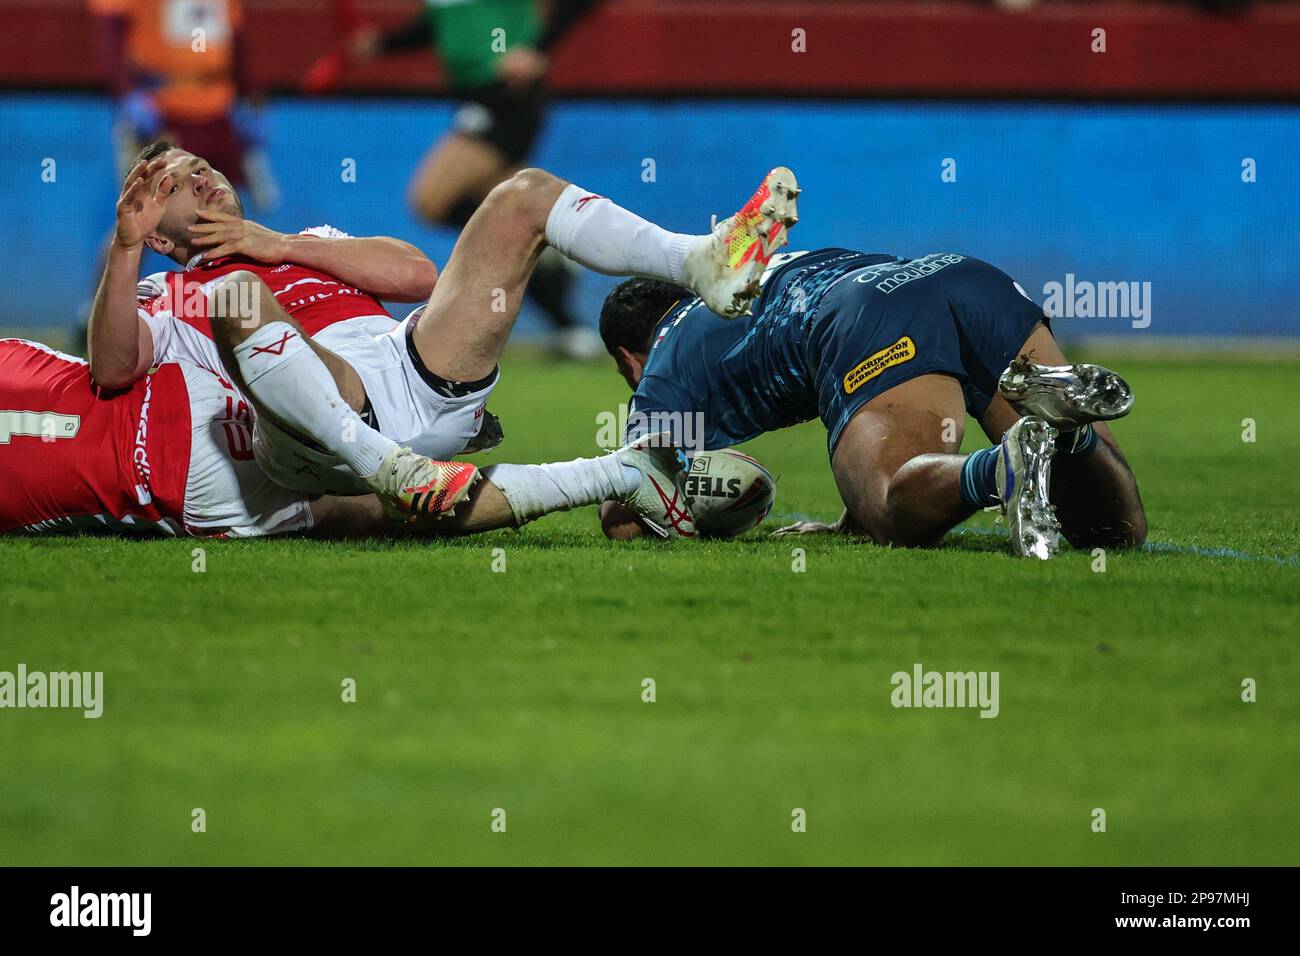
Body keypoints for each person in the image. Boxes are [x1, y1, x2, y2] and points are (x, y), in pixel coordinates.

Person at [89, 141, 800, 533]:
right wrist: (124, 254)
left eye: (203, 167)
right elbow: (114, 368)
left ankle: (698, 261)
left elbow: (417, 273)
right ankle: (385, 465)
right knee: (239, 295)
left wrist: (277, 244)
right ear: (153, 229)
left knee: (521, 195)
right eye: (180, 183)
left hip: (419, 376)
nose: (204, 178)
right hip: (315, 433)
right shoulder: (167, 291)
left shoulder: (300, 242)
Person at [595, 249, 1148, 559]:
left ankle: (1000, 467)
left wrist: (709, 508)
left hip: (870, 317)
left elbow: (622, 513)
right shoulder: (751, 275)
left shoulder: (665, 359)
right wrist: (846, 517)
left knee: (892, 511)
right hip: (961, 278)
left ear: (629, 360)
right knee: (1115, 533)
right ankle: (1065, 433)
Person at [349, 0, 605, 357]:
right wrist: (384, 44)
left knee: (431, 200)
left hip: (505, 95)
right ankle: (567, 322)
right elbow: (440, 21)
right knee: (509, 220)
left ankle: (549, 249)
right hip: (475, 96)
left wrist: (534, 49)